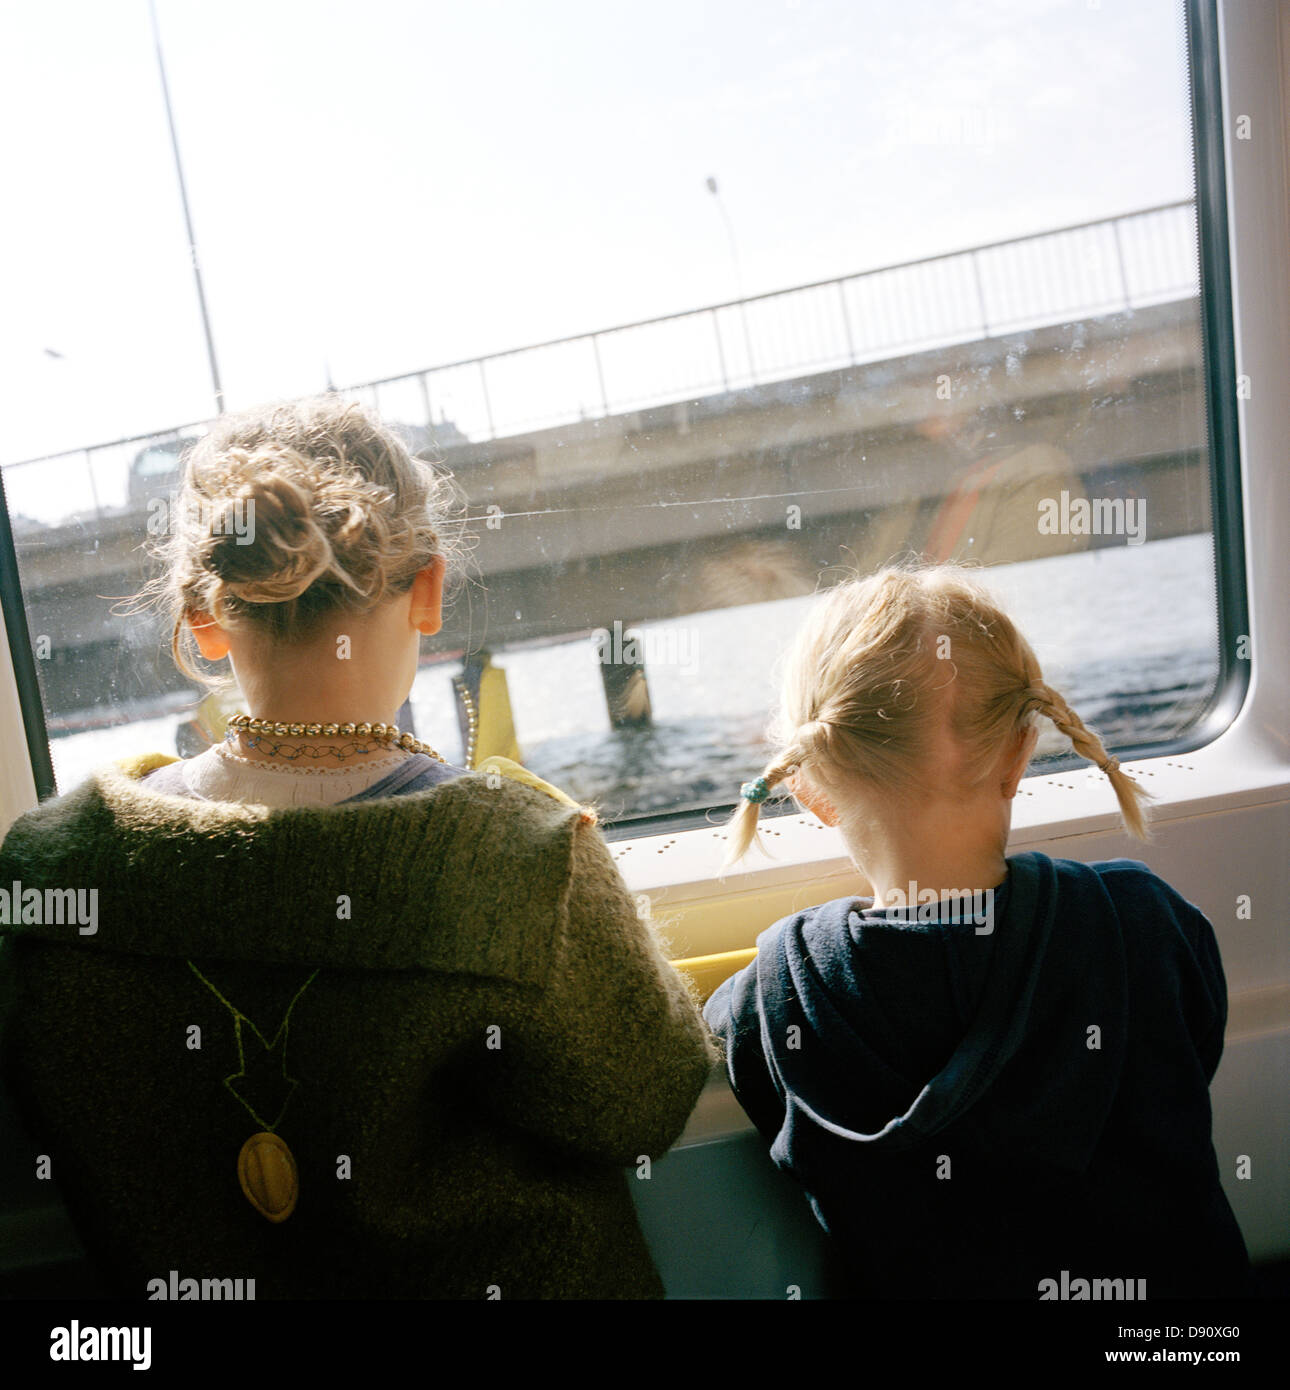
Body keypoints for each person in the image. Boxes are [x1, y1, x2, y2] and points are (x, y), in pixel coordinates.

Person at [0, 396, 715, 1299]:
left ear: (205, 619)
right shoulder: (514, 857)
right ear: (429, 589)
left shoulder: (58, 870)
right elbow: (644, 1098)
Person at [703, 564, 1253, 1299]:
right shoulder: (1144, 924)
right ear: (1019, 756)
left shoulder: (773, 1001)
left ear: (810, 792)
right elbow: (1193, 1049)